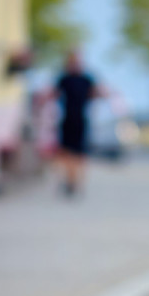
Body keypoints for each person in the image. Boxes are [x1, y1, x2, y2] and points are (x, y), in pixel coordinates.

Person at [48, 49, 103, 197]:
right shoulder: (64, 79)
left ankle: (75, 182)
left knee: (78, 155)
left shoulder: (86, 79)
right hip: (68, 120)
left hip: (79, 120)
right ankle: (70, 180)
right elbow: (54, 94)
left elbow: (97, 94)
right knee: (65, 153)